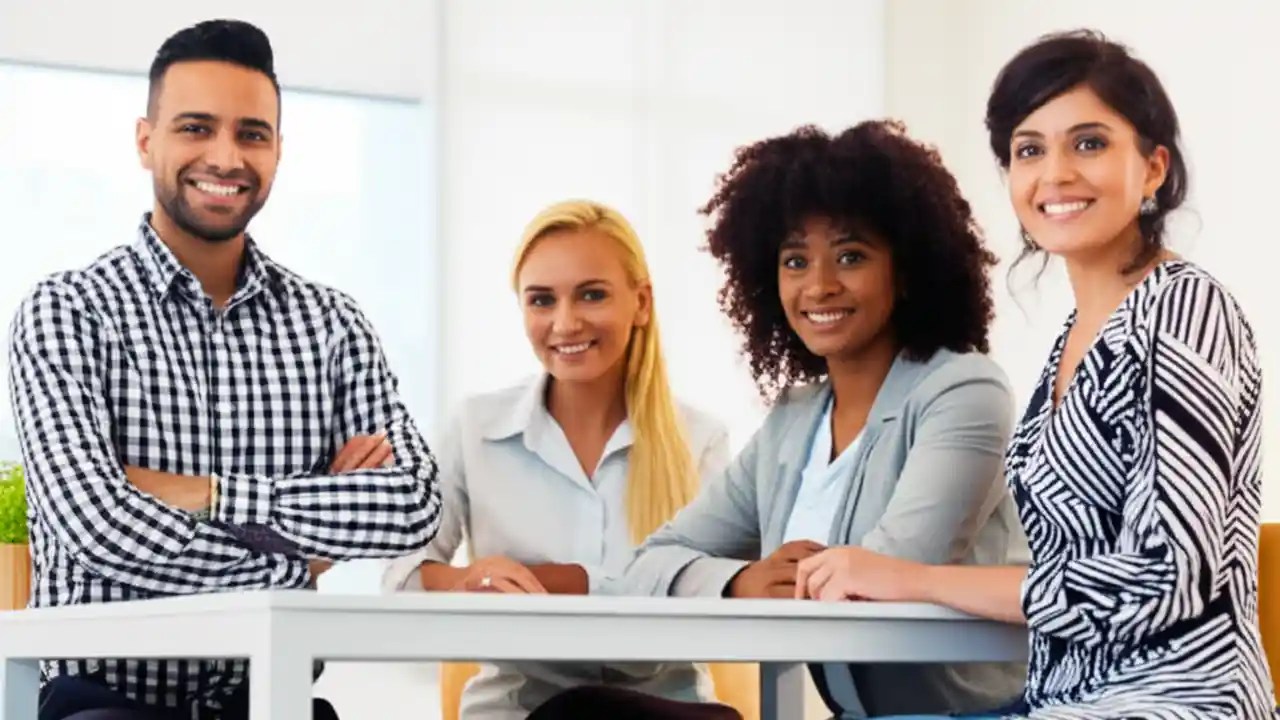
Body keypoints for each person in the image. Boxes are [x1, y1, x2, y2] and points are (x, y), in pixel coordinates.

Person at [796, 30, 1278, 720]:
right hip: (1060, 700)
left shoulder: (1184, 310)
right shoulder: (1075, 340)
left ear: (1153, 169)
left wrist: (915, 579)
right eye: (1029, 150)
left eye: (1089, 143)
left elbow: (1169, 578)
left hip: (1174, 703)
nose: (1055, 174)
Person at [7, 19, 441, 720]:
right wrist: (301, 552)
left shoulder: (332, 325)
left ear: (277, 150)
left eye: (251, 133)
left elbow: (411, 503)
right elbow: (97, 526)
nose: (225, 155)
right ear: (146, 140)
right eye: (195, 127)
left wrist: (197, 493)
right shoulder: (66, 313)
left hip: (278, 702)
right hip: (103, 707)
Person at [607, 120, 1028, 718]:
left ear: (905, 269)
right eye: (795, 261)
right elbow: (647, 562)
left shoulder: (962, 390)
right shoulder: (793, 421)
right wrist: (740, 582)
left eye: (850, 256)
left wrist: (786, 579)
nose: (819, 286)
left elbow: (883, 580)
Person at [383, 199, 738, 719]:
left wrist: (569, 580)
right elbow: (405, 571)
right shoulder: (477, 428)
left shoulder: (698, 439)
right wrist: (470, 579)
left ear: (641, 303)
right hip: (519, 711)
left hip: (663, 712)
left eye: (591, 295)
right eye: (541, 301)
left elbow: (718, 590)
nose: (565, 322)